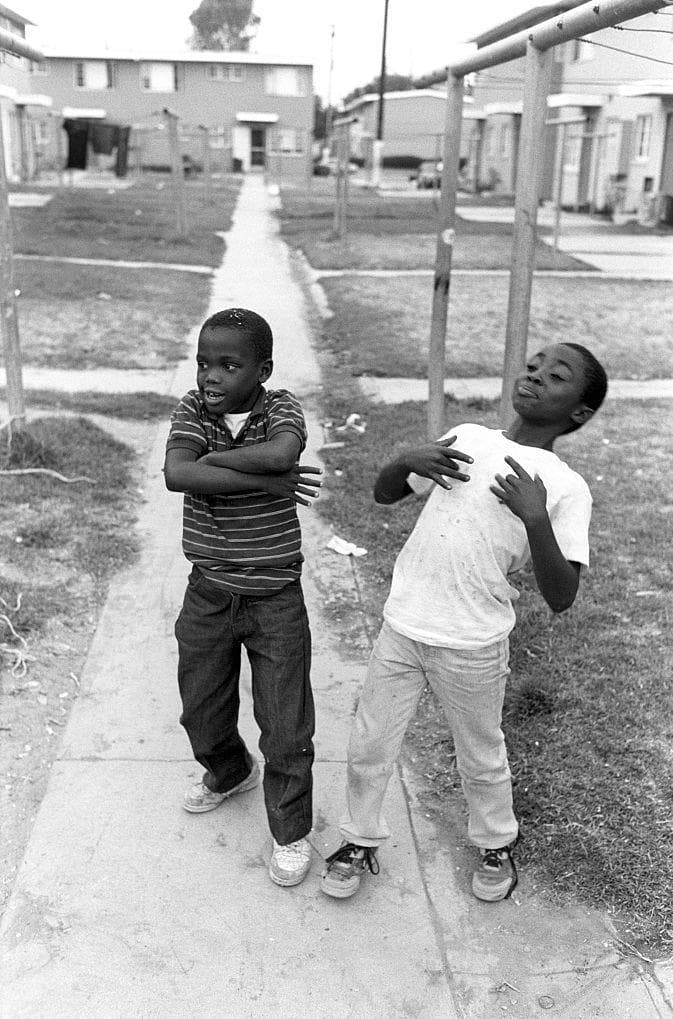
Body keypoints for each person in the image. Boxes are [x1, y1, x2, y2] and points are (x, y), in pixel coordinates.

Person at [321, 342, 608, 903]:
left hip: (473, 642)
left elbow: (562, 594)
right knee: (369, 743)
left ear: (579, 412)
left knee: (480, 753)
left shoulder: (564, 486)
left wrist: (534, 517)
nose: (535, 377)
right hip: (404, 625)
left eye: (556, 377)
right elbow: (385, 496)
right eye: (533, 366)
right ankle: (358, 838)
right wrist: (406, 459)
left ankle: (495, 842)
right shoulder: (470, 438)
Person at [164, 308, 322, 888]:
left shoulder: (280, 406)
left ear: (263, 370)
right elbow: (178, 475)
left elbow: (283, 455)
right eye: (205, 362)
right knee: (200, 709)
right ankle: (229, 771)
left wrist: (215, 462)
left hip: (275, 596)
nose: (212, 377)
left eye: (230, 365)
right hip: (208, 591)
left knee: (286, 726)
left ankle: (290, 831)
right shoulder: (191, 409)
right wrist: (261, 481)